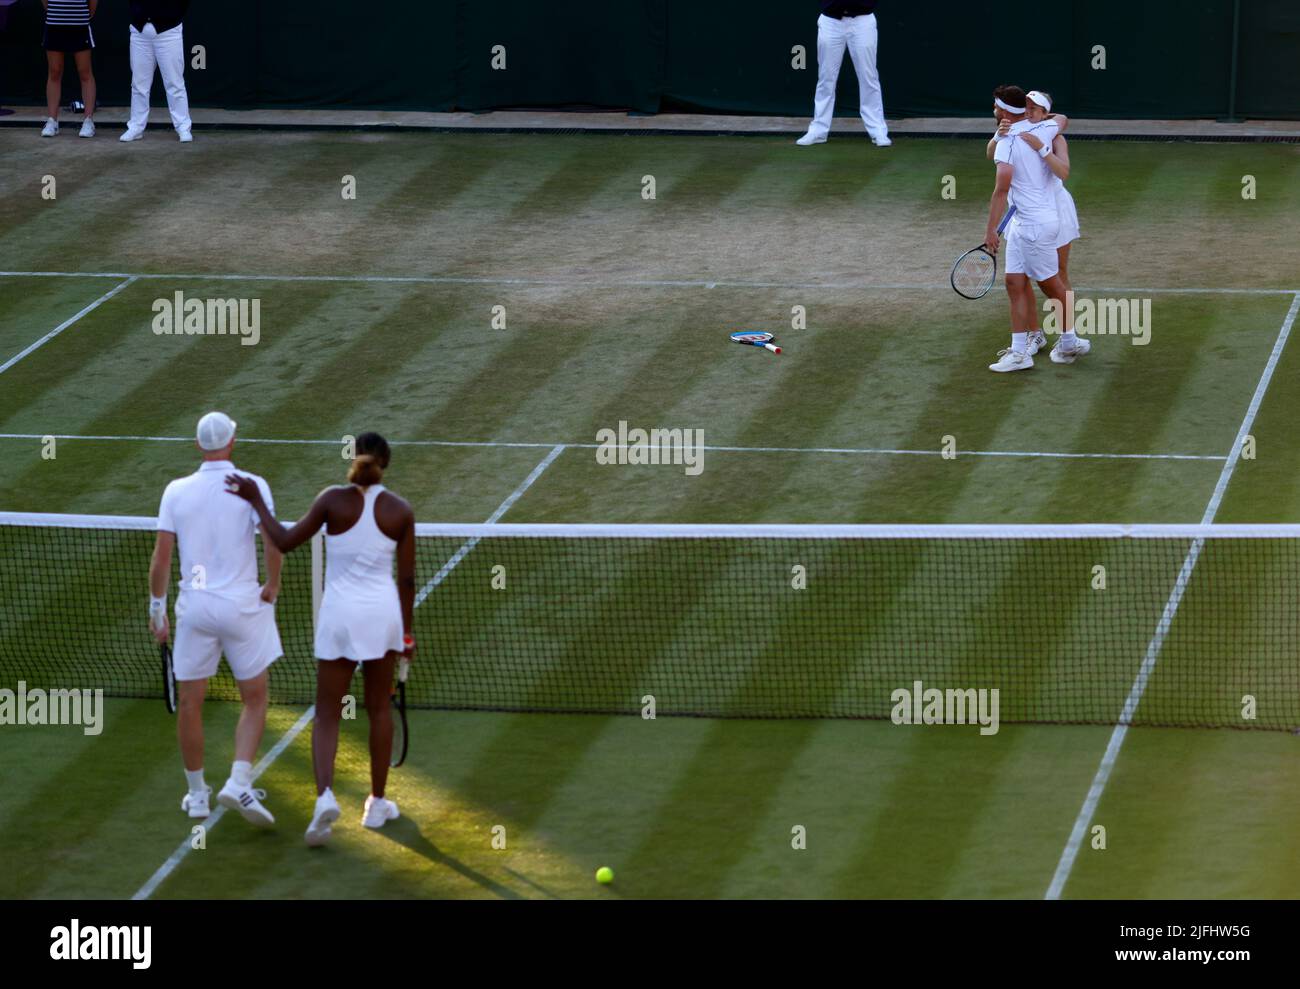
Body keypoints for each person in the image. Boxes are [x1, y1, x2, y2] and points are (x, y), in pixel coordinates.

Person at [227, 432, 416, 847]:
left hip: (339, 617)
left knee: (328, 712)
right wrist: (406, 632)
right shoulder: (400, 510)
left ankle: (324, 797)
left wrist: (256, 498)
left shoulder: (332, 500)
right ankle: (377, 804)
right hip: (381, 618)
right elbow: (406, 580)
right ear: (387, 463)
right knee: (379, 709)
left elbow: (284, 540)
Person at [149, 412, 283, 827]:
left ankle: (197, 795)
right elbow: (273, 540)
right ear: (233, 441)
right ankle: (239, 780)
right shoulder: (253, 486)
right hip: (243, 606)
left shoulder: (175, 491)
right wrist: (272, 584)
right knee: (256, 698)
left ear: (197, 446)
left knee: (190, 702)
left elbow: (161, 559)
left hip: (196, 610)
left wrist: (157, 609)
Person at [983, 85, 1089, 372]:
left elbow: (1001, 190)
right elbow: (1060, 120)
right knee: (1014, 283)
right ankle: (1019, 353)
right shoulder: (1039, 129)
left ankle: (1069, 339)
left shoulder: (1015, 140)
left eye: (996, 105)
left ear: (1004, 110)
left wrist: (991, 230)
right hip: (1021, 223)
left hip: (1036, 224)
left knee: (1051, 284)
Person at [795, 1, 890, 147]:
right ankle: (818, 130)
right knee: (826, 78)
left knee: (868, 77)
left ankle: (878, 130)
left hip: (863, 20)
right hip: (830, 21)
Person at [121, 0, 192, 143]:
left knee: (174, 83)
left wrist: (172, 16)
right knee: (139, 84)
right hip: (139, 32)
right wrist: (137, 13)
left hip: (169, 32)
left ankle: (183, 127)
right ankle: (136, 126)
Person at [40, 0, 97, 138]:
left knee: (85, 73)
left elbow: (93, 3)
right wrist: (55, 12)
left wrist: (82, 16)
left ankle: (88, 121)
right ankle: (52, 121)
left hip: (80, 25)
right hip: (54, 24)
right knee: (54, 72)